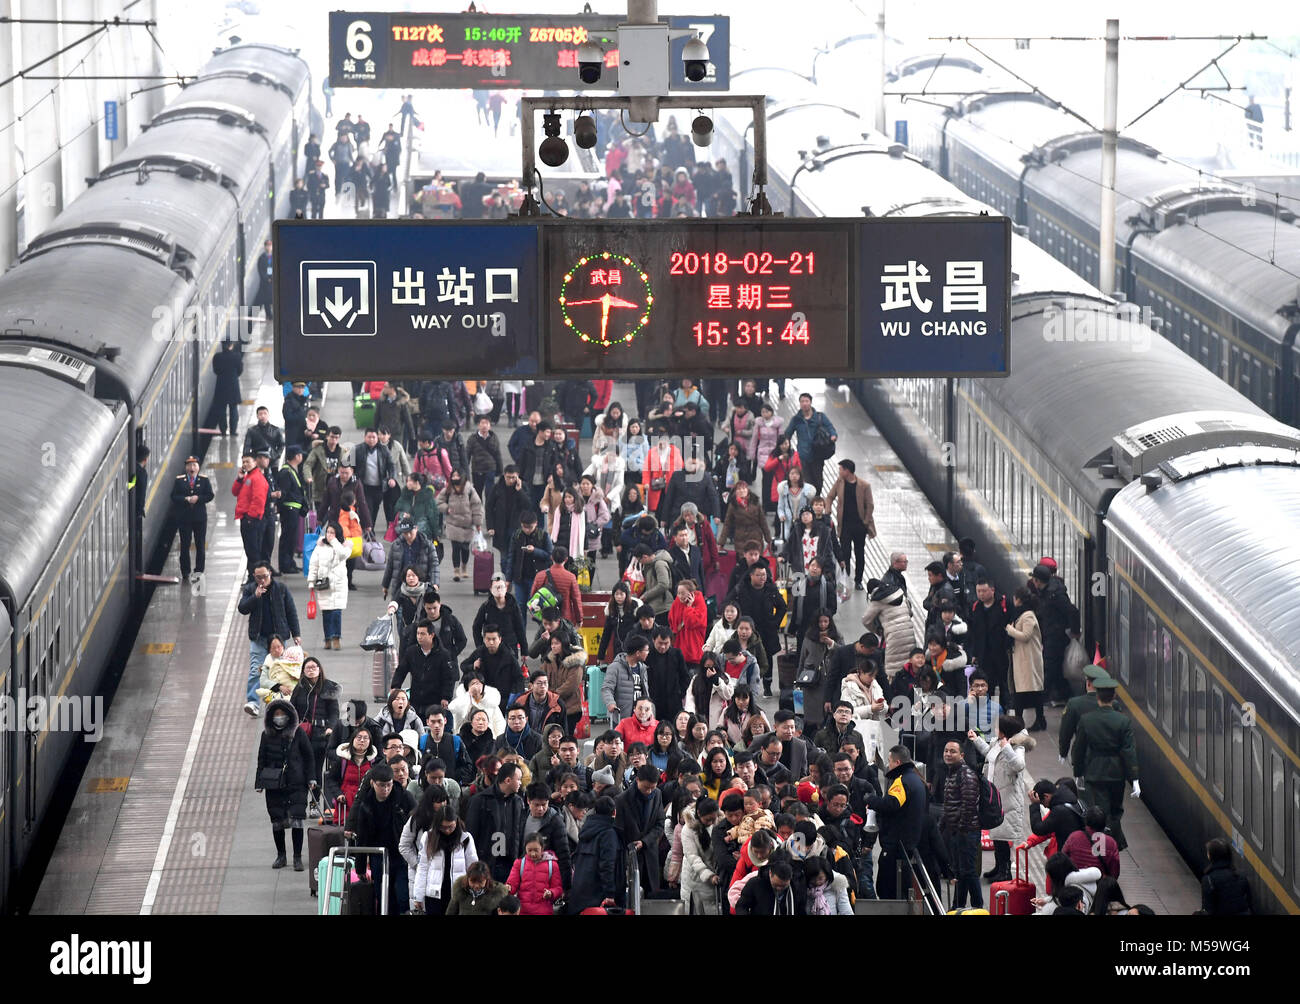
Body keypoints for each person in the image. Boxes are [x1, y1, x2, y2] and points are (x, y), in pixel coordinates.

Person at [1072, 678, 1139, 851]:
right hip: (1117, 772)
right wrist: (1135, 778)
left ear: (1098, 697)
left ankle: (1102, 850)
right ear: (1114, 696)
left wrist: (1078, 772)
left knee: (1100, 812)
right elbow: (1129, 751)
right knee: (1116, 811)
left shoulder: (1087, 720)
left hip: (1095, 771)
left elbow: (1078, 750)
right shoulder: (1123, 721)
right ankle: (1115, 845)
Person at [970, 714, 1033, 884]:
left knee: (1003, 837)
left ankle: (1005, 871)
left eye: (998, 727)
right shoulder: (997, 742)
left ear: (1006, 731)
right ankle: (999, 867)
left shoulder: (1016, 747)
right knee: (996, 834)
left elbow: (1019, 765)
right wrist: (976, 740)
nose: (995, 729)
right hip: (994, 794)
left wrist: (1007, 748)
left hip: (1007, 798)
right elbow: (989, 754)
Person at [255, 698, 315, 870]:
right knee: (277, 820)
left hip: (297, 783)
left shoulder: (298, 733)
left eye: (282, 714)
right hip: (274, 784)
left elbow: (309, 757)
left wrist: (312, 778)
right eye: (276, 714)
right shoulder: (266, 735)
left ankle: (297, 857)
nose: (279, 717)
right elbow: (261, 759)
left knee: (297, 820)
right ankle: (281, 855)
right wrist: (259, 781)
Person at [238, 562, 300, 718]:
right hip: (259, 637)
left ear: (270, 573)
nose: (261, 580)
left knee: (278, 671)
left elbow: (291, 611)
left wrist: (296, 633)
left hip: (278, 639)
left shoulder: (281, 589)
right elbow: (242, 608)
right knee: (256, 669)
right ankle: (253, 702)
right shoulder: (250, 589)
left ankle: (277, 703)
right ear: (254, 577)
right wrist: (255, 597)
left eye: (264, 576)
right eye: (258, 577)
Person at [865, 745, 928, 900]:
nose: (888, 765)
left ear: (897, 762)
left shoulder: (902, 780)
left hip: (896, 845)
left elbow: (891, 804)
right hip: (908, 842)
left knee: (886, 888)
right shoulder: (915, 779)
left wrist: (871, 800)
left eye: (890, 761)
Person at [464, 760, 526, 884]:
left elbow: (520, 832)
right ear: (508, 780)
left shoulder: (518, 802)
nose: (520, 783)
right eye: (518, 779)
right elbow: (471, 834)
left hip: (510, 863)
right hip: (486, 864)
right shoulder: (480, 801)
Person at [1028, 561, 1080, 706]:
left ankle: (1042, 698)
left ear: (1037, 581)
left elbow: (1072, 611)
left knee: (1049, 666)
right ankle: (1063, 694)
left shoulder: (1054, 595)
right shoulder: (1047, 591)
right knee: (1055, 667)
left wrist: (1075, 632)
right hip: (1050, 633)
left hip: (1055, 636)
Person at [567, 794, 625, 912]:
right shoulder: (609, 833)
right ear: (614, 812)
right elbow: (607, 865)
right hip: (599, 897)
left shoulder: (585, 830)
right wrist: (610, 893)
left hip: (580, 894)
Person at [392, 620, 456, 718]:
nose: (419, 637)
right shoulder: (411, 652)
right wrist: (395, 687)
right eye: (418, 633)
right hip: (415, 700)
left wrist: (446, 697)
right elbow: (401, 670)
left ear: (431, 635)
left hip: (435, 701)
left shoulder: (443, 655)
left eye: (423, 634)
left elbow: (448, 679)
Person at [1006, 586, 1047, 731]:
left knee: (1027, 691)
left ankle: (1032, 720)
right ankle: (1036, 720)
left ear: (1017, 599)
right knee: (1026, 691)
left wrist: (1010, 630)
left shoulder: (1028, 615)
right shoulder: (1023, 614)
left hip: (1028, 660)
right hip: (1023, 658)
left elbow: (1026, 635)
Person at [171, 455, 214, 585]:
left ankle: (199, 570)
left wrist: (198, 498)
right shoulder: (179, 481)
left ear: (198, 467)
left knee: (200, 544)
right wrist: (185, 499)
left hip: (200, 518)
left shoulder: (204, 480)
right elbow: (173, 496)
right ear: (186, 468)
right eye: (189, 465)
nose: (192, 468)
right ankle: (185, 571)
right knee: (185, 545)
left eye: (194, 465)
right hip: (184, 518)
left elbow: (210, 495)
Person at [307, 521, 350, 650]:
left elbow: (343, 555)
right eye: (328, 532)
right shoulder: (320, 547)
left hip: (339, 584)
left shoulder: (344, 545)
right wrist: (311, 581)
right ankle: (327, 638)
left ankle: (336, 637)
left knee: (337, 612)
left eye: (333, 532)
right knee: (326, 613)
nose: (329, 535)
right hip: (324, 583)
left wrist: (334, 542)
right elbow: (314, 564)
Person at [783, 392, 837, 494]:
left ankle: (816, 498)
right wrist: (785, 446)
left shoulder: (820, 417)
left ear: (810, 402)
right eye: (802, 401)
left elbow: (830, 427)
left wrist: (833, 435)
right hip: (803, 455)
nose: (804, 403)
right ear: (799, 403)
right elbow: (788, 434)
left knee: (818, 480)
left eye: (806, 401)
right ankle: (810, 501)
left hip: (817, 454)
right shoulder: (796, 419)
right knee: (806, 480)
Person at [437, 471, 484, 583]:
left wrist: (478, 523)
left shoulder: (470, 490)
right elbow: (439, 502)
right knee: (456, 547)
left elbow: (477, 506)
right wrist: (446, 508)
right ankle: (456, 570)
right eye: (453, 476)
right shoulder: (447, 490)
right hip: (453, 524)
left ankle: (464, 567)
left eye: (458, 475)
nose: (455, 478)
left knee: (465, 548)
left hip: (467, 524)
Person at [531, 547, 583, 627]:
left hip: (545, 618)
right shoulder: (570, 577)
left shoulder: (540, 575)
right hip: (564, 618)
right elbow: (576, 600)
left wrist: (534, 613)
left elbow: (533, 596)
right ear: (566, 559)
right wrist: (579, 619)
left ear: (551, 558)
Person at [1200, 837, 1252, 915]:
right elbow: (1248, 901)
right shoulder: (1241, 876)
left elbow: (1208, 909)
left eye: (1208, 853)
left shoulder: (1208, 880)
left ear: (1212, 856)